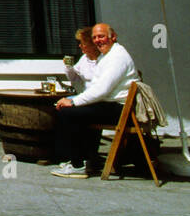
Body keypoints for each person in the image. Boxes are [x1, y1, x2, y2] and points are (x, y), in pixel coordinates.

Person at [50, 22, 140, 178]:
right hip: (110, 105)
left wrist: (73, 101)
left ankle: (77, 165)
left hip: (120, 109)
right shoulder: (108, 55)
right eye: (95, 38)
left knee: (68, 113)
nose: (98, 40)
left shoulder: (117, 57)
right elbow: (96, 87)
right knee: (73, 111)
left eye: (102, 36)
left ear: (113, 37)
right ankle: (86, 159)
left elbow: (102, 89)